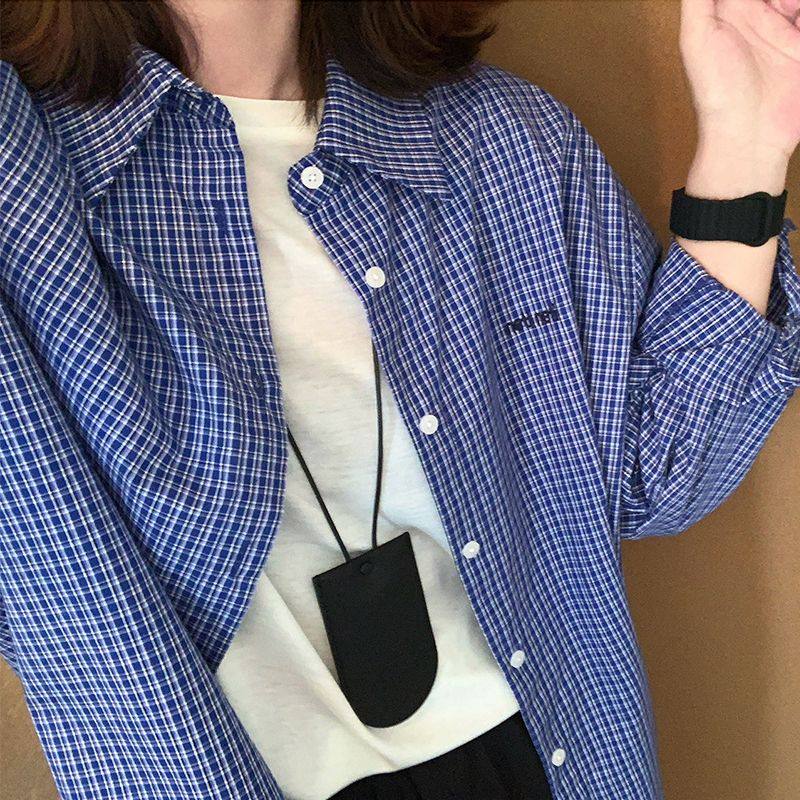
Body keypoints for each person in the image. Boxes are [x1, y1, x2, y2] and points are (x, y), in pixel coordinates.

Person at [0, 0, 798, 799]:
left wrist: (748, 135)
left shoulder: (504, 141)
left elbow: (655, 474)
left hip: (551, 753)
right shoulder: (32, 195)